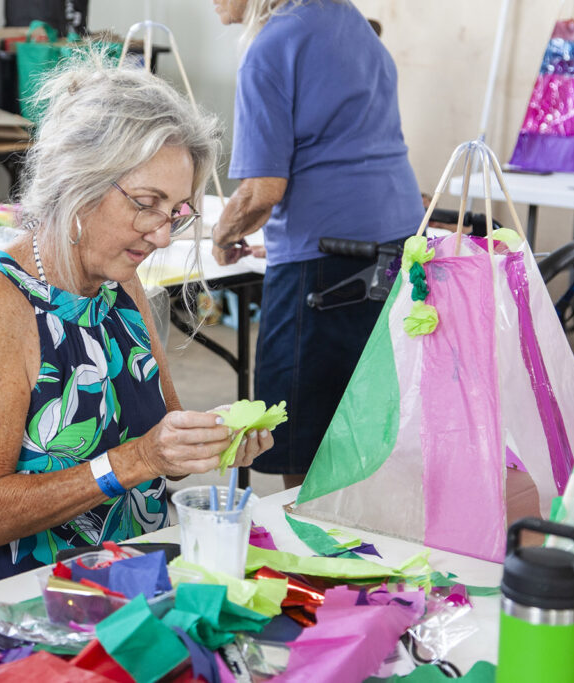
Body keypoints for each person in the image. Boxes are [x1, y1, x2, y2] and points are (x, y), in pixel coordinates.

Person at [0, 58, 274, 601]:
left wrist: (210, 440)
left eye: (176, 212)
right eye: (146, 204)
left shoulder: (119, 286)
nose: (162, 236)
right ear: (77, 182)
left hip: (129, 580)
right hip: (13, 601)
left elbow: (164, 436)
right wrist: (140, 459)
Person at [210, 0, 425, 488]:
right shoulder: (352, 24)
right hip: (395, 239)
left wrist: (223, 235)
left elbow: (263, 191)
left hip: (325, 261)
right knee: (367, 415)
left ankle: (312, 549)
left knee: (302, 436)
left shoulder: (269, 48)